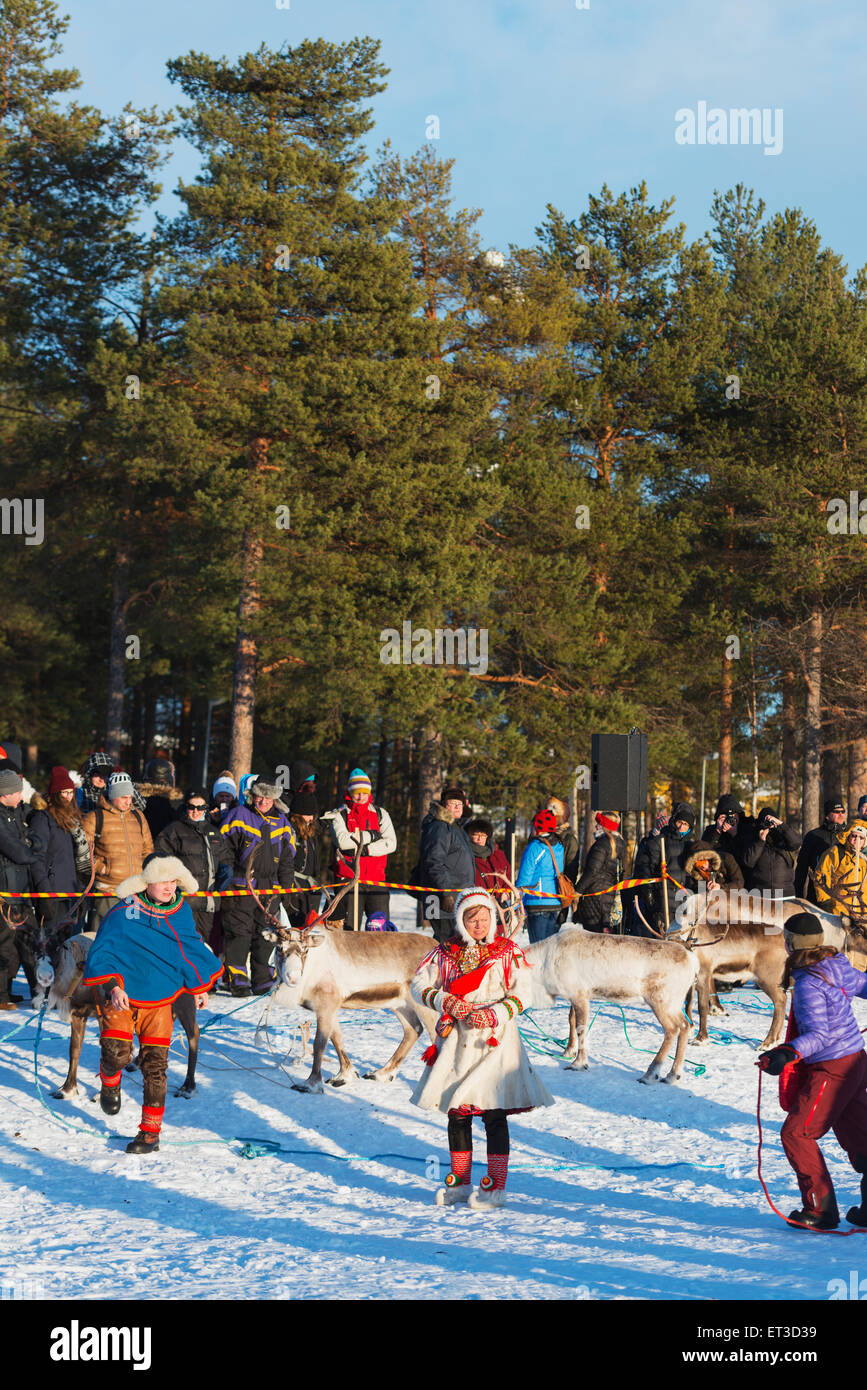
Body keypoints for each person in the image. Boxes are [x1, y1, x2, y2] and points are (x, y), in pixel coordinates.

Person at [410, 886, 554, 1209]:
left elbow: (524, 993)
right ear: (461, 920)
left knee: (493, 1112)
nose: (478, 924)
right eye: (471, 918)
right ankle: (460, 1182)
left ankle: (495, 1186)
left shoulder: (507, 952)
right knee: (457, 1113)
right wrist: (445, 1000)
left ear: (493, 918)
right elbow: (418, 984)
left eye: (484, 917)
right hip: (458, 1044)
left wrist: (495, 1013)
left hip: (496, 1042)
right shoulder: (445, 953)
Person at [81, 853, 223, 1155]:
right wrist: (113, 985)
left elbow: (188, 948)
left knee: (155, 1066)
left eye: (173, 881)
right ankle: (110, 1079)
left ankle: (149, 1134)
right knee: (117, 1055)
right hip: (123, 995)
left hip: (161, 997)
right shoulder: (125, 911)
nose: (169, 887)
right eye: (162, 882)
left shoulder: (181, 911)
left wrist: (199, 986)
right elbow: (105, 948)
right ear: (148, 883)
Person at [758, 911, 867, 1230]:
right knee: (860, 1135)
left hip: (833, 1068)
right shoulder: (835, 964)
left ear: (791, 945)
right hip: (856, 1061)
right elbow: (864, 984)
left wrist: (786, 1053)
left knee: (796, 1133)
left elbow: (819, 1036)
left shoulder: (807, 983)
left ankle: (820, 1209)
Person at [219, 772, 296, 995]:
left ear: (275, 800)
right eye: (259, 797)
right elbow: (224, 851)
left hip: (270, 889)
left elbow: (287, 859)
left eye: (268, 798)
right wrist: (231, 878)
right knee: (239, 932)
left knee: (266, 934)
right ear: (252, 796)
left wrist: (286, 887)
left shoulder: (282, 822)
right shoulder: (238, 815)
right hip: (241, 886)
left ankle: (262, 976)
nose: (263, 802)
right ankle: (238, 976)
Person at [322, 769, 397, 931]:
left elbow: (391, 843)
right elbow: (343, 842)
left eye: (364, 792)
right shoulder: (340, 815)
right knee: (350, 931)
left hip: (376, 880)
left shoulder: (380, 814)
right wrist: (372, 835)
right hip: (349, 881)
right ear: (350, 792)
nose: (361, 796)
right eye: (357, 792)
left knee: (380, 932)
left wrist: (366, 850)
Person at [154, 787, 233, 943]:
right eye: (191, 807)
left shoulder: (213, 832)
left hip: (207, 901)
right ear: (186, 807)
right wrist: (172, 884)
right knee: (179, 943)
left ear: (206, 809)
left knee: (201, 945)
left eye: (200, 807)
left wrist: (225, 871)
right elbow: (160, 857)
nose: (195, 811)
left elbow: (225, 857)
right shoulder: (174, 830)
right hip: (182, 901)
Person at [80, 772, 154, 931]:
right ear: (113, 795)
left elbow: (148, 850)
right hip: (107, 891)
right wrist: (103, 869)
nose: (128, 802)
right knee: (101, 937)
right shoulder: (94, 818)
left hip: (136, 891)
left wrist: (144, 872)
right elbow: (82, 855)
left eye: (130, 797)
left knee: (133, 940)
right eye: (123, 797)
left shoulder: (138, 817)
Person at [29, 767, 91, 935]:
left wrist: (80, 891)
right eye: (63, 792)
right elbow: (37, 858)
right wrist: (44, 894)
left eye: (70, 792)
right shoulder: (42, 819)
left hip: (70, 893)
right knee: (51, 949)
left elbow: (73, 861)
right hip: (52, 894)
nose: (67, 797)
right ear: (54, 793)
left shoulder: (73, 820)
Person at [0, 766, 42, 1009]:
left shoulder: (15, 812)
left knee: (31, 941)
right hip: (5, 892)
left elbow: (34, 840)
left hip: (21, 890)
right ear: (6, 793)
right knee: (4, 943)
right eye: (17, 791)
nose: (21, 795)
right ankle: (2, 996)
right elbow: (20, 852)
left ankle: (41, 990)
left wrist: (29, 844)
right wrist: (27, 846)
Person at [417, 786, 474, 943]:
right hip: (441, 899)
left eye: (459, 804)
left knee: (453, 943)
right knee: (445, 942)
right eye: (452, 803)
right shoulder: (439, 827)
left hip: (456, 898)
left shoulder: (456, 828)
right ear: (444, 805)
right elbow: (433, 861)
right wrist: (446, 892)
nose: (456, 807)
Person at [633, 801, 697, 934]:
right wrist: (648, 893)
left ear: (690, 827)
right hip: (662, 903)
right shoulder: (659, 841)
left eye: (685, 824)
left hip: (684, 904)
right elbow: (644, 868)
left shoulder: (692, 847)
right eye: (680, 822)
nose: (681, 827)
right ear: (674, 821)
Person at [515, 809, 564, 943]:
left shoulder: (535, 847)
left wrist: (515, 904)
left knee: (538, 951)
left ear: (537, 827)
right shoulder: (559, 846)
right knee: (550, 950)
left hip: (537, 901)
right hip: (555, 902)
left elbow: (524, 879)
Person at [575, 811, 626, 934]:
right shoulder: (621, 843)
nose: (596, 826)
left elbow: (592, 871)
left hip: (594, 897)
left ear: (605, 826)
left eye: (599, 824)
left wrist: (578, 891)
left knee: (593, 937)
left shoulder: (602, 843)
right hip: (610, 897)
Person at [795, 798, 847, 903]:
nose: (841, 814)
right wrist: (799, 895)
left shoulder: (850, 836)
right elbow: (802, 867)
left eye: (843, 811)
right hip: (817, 892)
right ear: (827, 815)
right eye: (836, 812)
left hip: (844, 894)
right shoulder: (813, 835)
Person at [742, 808, 802, 898]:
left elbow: (796, 843)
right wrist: (760, 841)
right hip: (761, 895)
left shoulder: (783, 837)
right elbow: (748, 862)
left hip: (785, 894)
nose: (768, 825)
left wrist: (781, 825)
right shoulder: (754, 838)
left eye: (770, 822)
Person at [814, 820, 867, 918]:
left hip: (861, 913)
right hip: (838, 910)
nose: (857, 840)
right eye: (854, 836)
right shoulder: (835, 853)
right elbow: (820, 876)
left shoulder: (864, 860)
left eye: (861, 837)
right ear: (848, 836)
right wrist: (826, 902)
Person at [286, 785, 321, 930]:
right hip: (294, 890)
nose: (311, 819)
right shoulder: (290, 831)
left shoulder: (309, 834)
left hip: (309, 890)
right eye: (308, 815)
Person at [465, 817, 511, 899]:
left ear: (487, 837)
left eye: (483, 835)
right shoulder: (465, 855)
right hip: (476, 903)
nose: (479, 839)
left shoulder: (498, 855)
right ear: (469, 835)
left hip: (498, 903)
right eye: (476, 835)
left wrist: (506, 893)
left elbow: (508, 876)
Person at [76, 751, 115, 816]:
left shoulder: (113, 793)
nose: (101, 780)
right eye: (97, 775)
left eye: (105, 775)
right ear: (89, 775)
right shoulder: (79, 794)